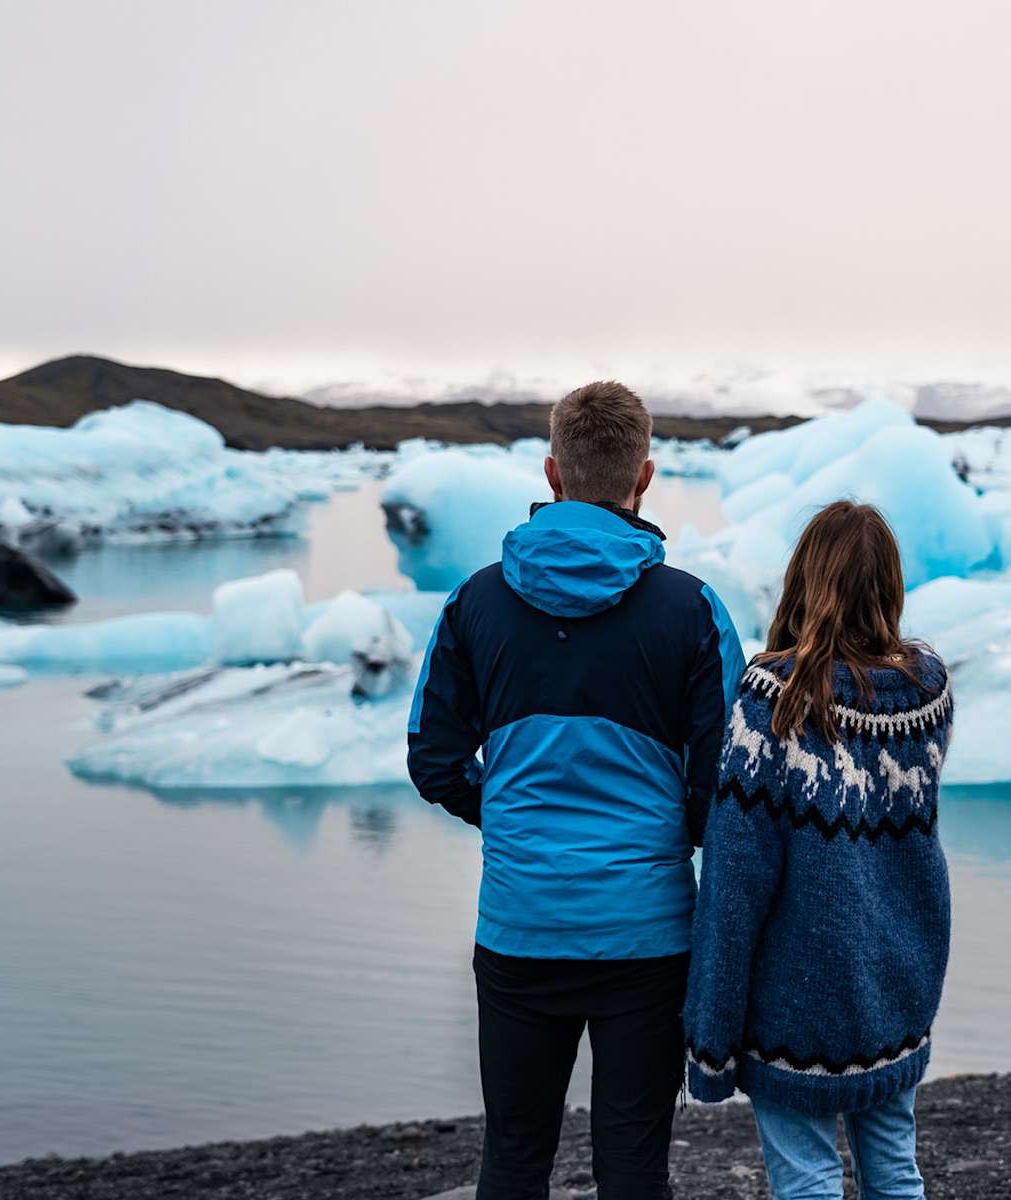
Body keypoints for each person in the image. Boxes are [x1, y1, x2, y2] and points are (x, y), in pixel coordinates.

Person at [407, 380, 743, 1200]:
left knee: (515, 1156)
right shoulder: (694, 609)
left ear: (553, 473)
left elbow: (434, 759)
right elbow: (724, 782)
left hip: (521, 927)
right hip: (647, 934)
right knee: (633, 1166)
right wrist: (664, 838)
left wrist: (516, 821)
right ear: (647, 475)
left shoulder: (473, 603)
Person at [684, 500, 953, 1200]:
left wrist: (710, 1044)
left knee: (806, 1183)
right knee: (896, 1173)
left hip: (794, 1010)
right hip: (897, 988)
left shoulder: (773, 697)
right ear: (889, 587)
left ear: (802, 581)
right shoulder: (927, 690)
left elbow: (734, 884)